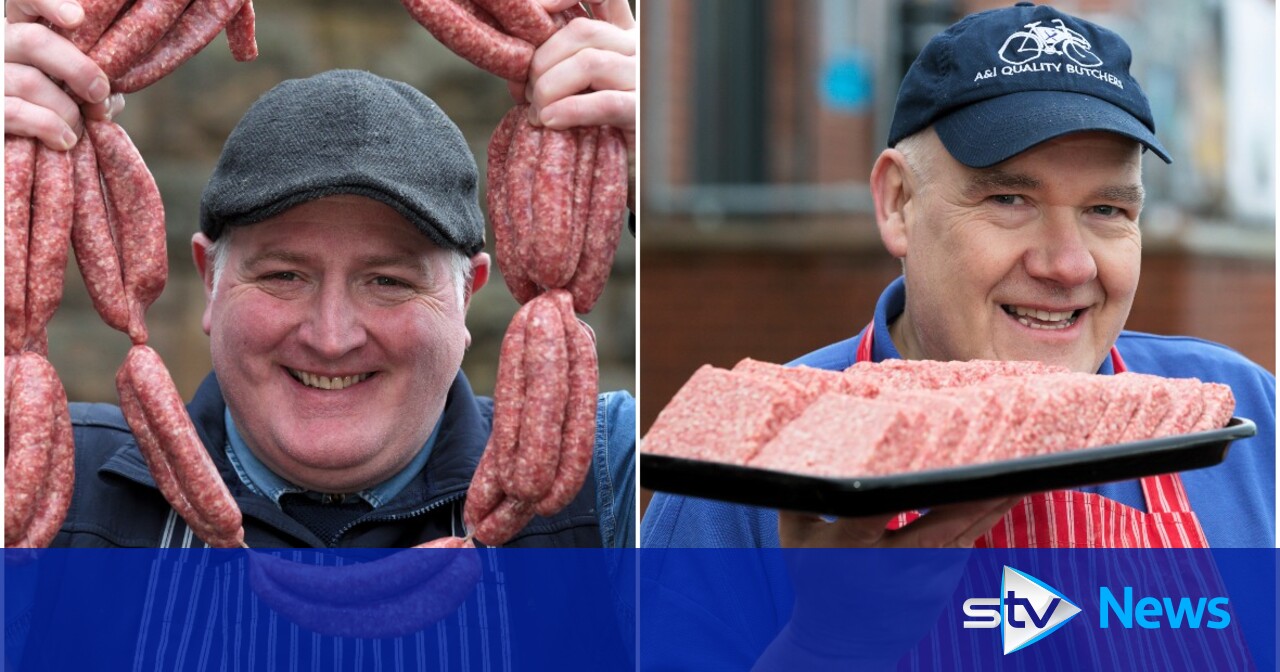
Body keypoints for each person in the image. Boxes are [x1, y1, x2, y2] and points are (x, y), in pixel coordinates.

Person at [640, 2, 1276, 552]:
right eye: (1008, 200)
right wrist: (827, 646)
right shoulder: (742, 478)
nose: (1067, 264)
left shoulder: (1243, 421)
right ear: (898, 204)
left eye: (1106, 210)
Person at [5, 0, 638, 549]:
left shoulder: (606, 478)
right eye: (284, 275)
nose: (331, 338)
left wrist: (638, 173)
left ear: (466, 296)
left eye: (388, 281)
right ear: (210, 281)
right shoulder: (42, 475)